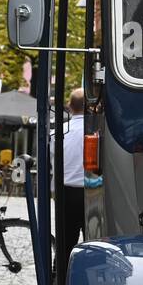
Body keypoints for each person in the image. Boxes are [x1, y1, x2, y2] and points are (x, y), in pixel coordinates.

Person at [59, 88, 85, 261]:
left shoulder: (58, 132)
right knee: (95, 241)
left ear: (69, 106)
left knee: (65, 242)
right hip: (92, 191)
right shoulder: (97, 131)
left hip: (65, 192)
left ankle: (57, 281)